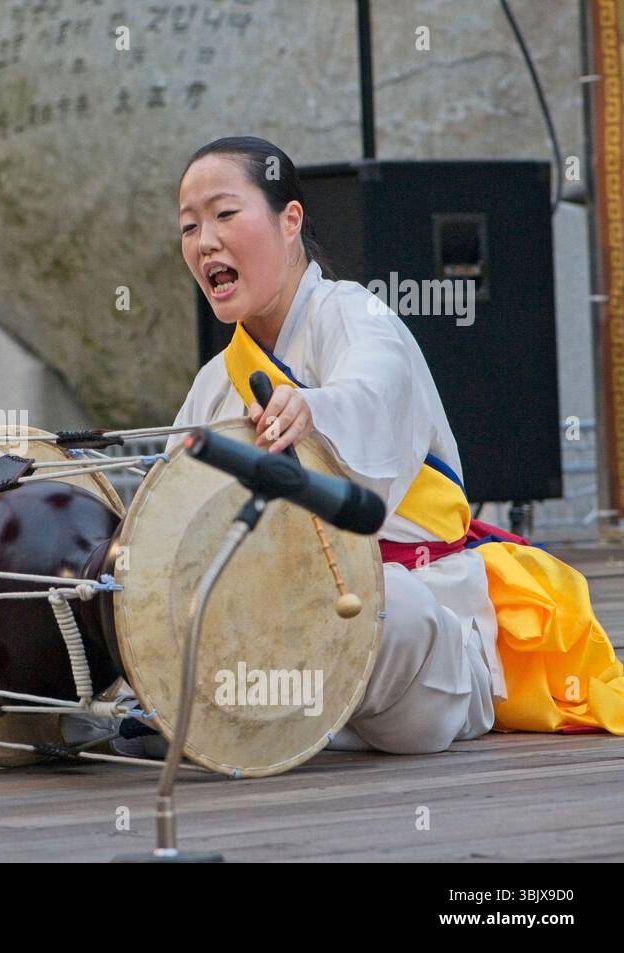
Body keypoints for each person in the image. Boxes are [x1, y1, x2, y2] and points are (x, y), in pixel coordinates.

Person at [162, 135, 624, 754]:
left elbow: (372, 390)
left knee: (387, 607)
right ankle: (240, 713)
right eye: (190, 227)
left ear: (290, 220)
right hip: (276, 630)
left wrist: (312, 408)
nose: (205, 242)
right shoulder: (215, 382)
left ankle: (230, 715)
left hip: (414, 632)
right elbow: (171, 508)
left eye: (224, 214)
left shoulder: (358, 316)